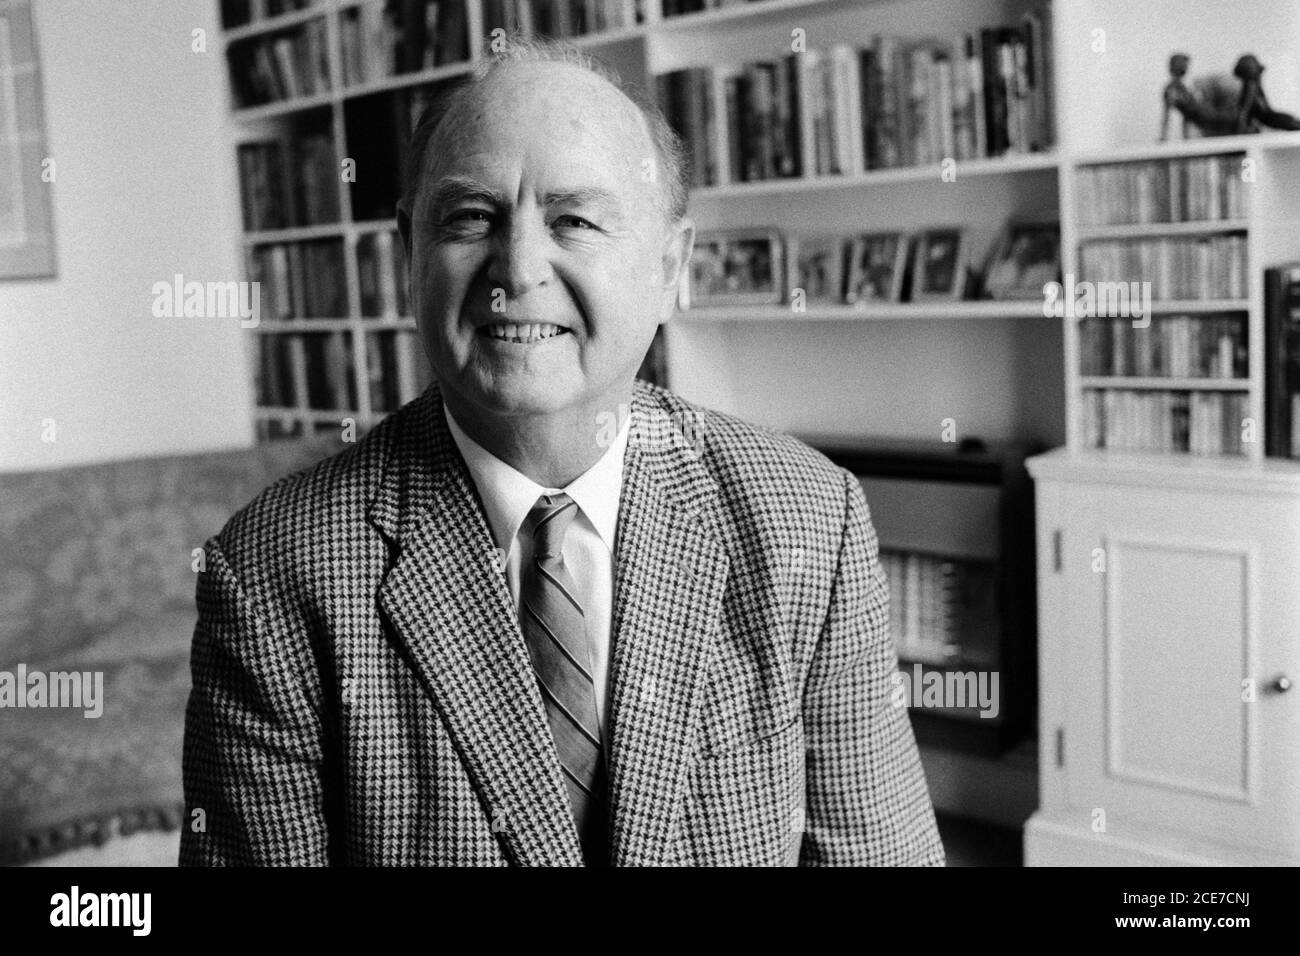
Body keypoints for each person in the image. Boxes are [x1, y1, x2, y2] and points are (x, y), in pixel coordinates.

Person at [181, 36, 944, 867]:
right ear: (407, 255)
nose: (515, 269)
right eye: (472, 216)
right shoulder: (270, 574)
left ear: (668, 265)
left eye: (574, 219)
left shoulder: (809, 518)